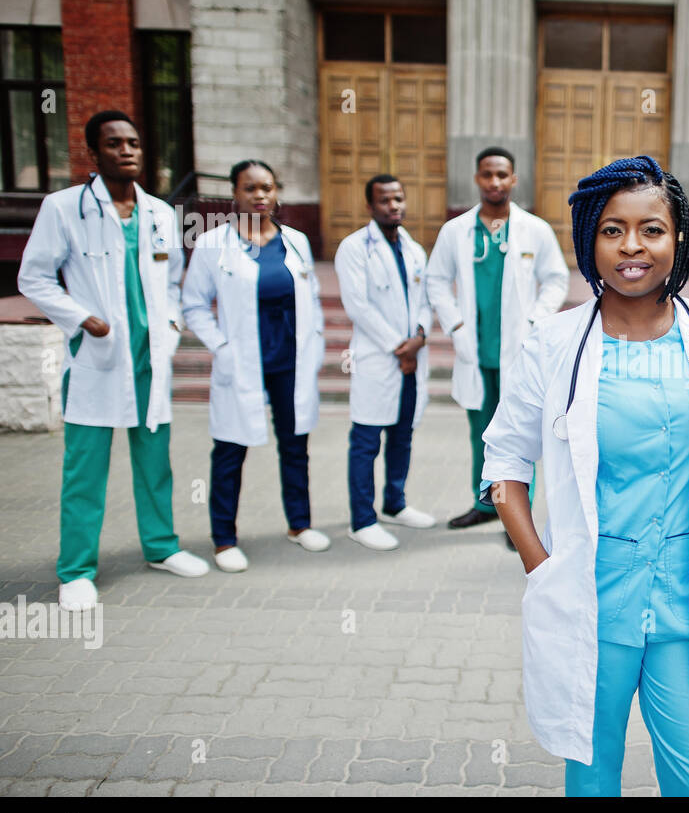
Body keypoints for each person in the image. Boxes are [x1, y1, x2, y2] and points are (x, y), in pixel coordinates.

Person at [482, 156, 689, 797]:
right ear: (589, 240)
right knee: (591, 778)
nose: (632, 247)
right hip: (592, 595)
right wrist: (539, 562)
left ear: (680, 238)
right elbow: (503, 461)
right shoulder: (553, 344)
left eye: (651, 229)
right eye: (612, 230)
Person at [18, 110, 209, 610]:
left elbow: (170, 285)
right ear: (93, 153)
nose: (126, 150)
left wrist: (169, 328)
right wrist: (82, 319)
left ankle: (162, 547)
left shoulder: (160, 214)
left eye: (134, 142)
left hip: (150, 358)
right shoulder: (63, 209)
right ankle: (77, 570)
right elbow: (33, 278)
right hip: (96, 359)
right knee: (85, 468)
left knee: (155, 462)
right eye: (114, 143)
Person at [181, 160, 330, 571]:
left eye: (267, 187)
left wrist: (315, 345)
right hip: (242, 362)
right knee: (230, 449)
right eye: (251, 188)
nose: (260, 195)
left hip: (289, 361)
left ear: (276, 191)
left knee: (295, 444)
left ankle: (300, 524)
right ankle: (224, 540)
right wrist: (220, 345)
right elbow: (193, 303)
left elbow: (311, 297)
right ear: (235, 193)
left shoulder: (296, 240)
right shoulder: (213, 244)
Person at [426, 146, 569, 538]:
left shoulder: (534, 229)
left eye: (501, 175)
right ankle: (482, 504)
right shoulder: (455, 231)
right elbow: (436, 280)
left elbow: (556, 278)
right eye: (487, 174)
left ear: (513, 179)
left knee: (520, 435)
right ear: (477, 178)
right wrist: (454, 325)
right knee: (481, 432)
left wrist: (534, 321)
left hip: (518, 349)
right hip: (474, 350)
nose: (494, 182)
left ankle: (514, 519)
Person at [335, 174, 436, 550]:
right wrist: (401, 347)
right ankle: (362, 520)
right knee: (365, 441)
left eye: (398, 198)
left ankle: (395, 503)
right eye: (384, 200)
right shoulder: (354, 247)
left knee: (402, 435)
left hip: (412, 357)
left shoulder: (413, 249)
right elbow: (357, 306)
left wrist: (421, 336)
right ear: (370, 206)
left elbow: (425, 300)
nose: (393, 206)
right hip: (380, 359)